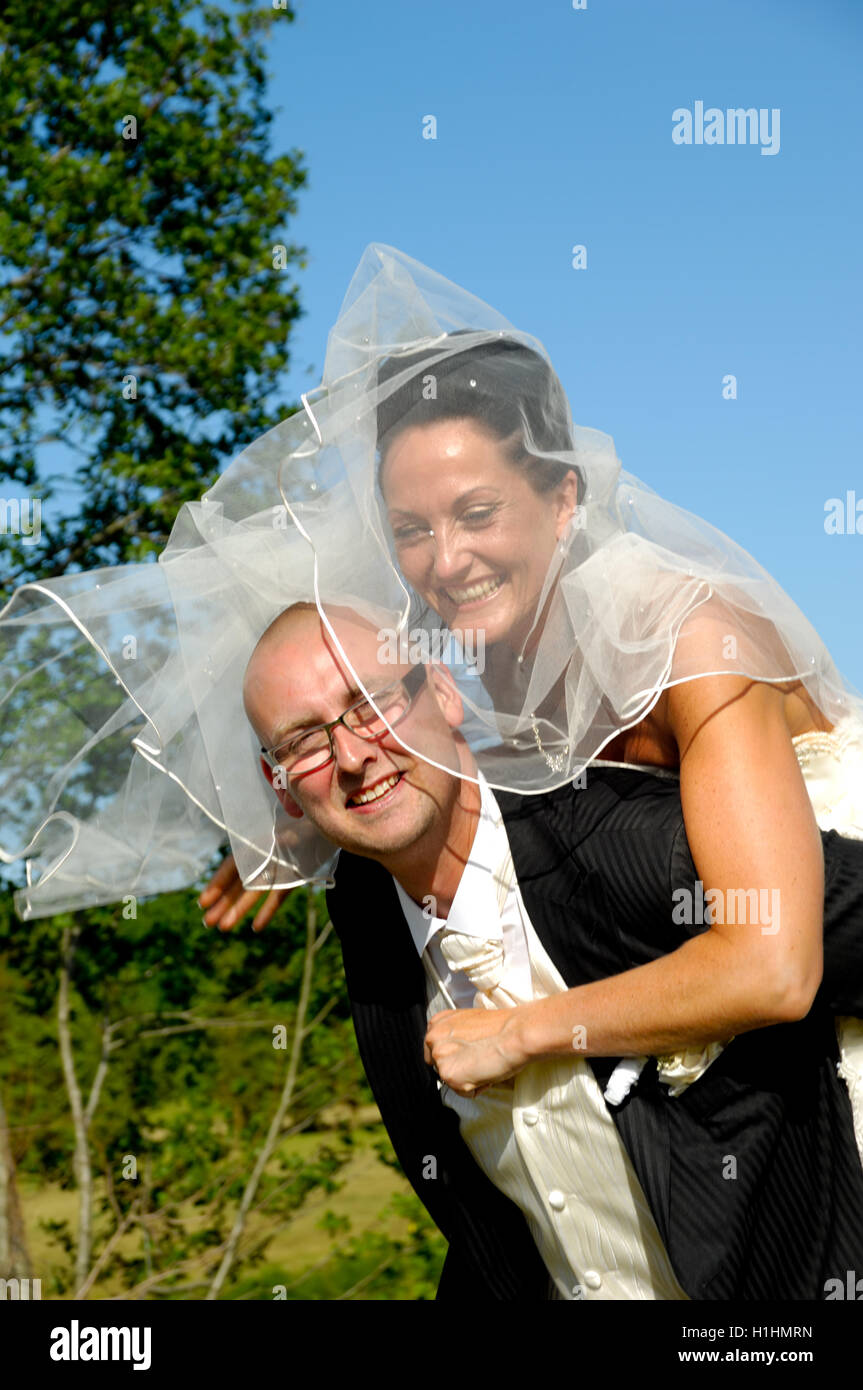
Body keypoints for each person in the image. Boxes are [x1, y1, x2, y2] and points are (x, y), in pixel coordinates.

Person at [239, 599, 863, 1300]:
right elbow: (492, 1228)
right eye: (304, 743)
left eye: (372, 702)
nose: (352, 755)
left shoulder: (628, 849)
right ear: (280, 785)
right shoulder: (368, 920)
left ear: (443, 691)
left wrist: (525, 1031)